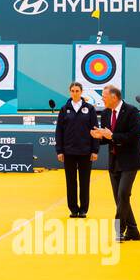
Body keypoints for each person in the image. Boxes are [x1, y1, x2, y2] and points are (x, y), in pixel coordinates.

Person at [90, 85, 140, 242]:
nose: (102, 99)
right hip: (114, 160)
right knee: (120, 198)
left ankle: (119, 230)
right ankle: (133, 230)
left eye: (104, 96)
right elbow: (107, 139)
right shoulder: (106, 113)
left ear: (114, 97)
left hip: (130, 160)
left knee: (123, 194)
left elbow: (133, 137)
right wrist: (98, 137)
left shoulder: (132, 111)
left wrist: (112, 136)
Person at [55, 81, 99, 218]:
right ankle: (73, 209)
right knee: (71, 182)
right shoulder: (64, 109)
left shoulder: (89, 109)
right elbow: (59, 131)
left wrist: (95, 150)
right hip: (68, 152)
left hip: (85, 152)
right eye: (72, 91)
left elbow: (95, 130)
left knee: (84, 182)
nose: (75, 93)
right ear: (70, 92)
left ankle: (84, 209)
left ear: (81, 92)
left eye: (77, 91)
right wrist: (60, 150)